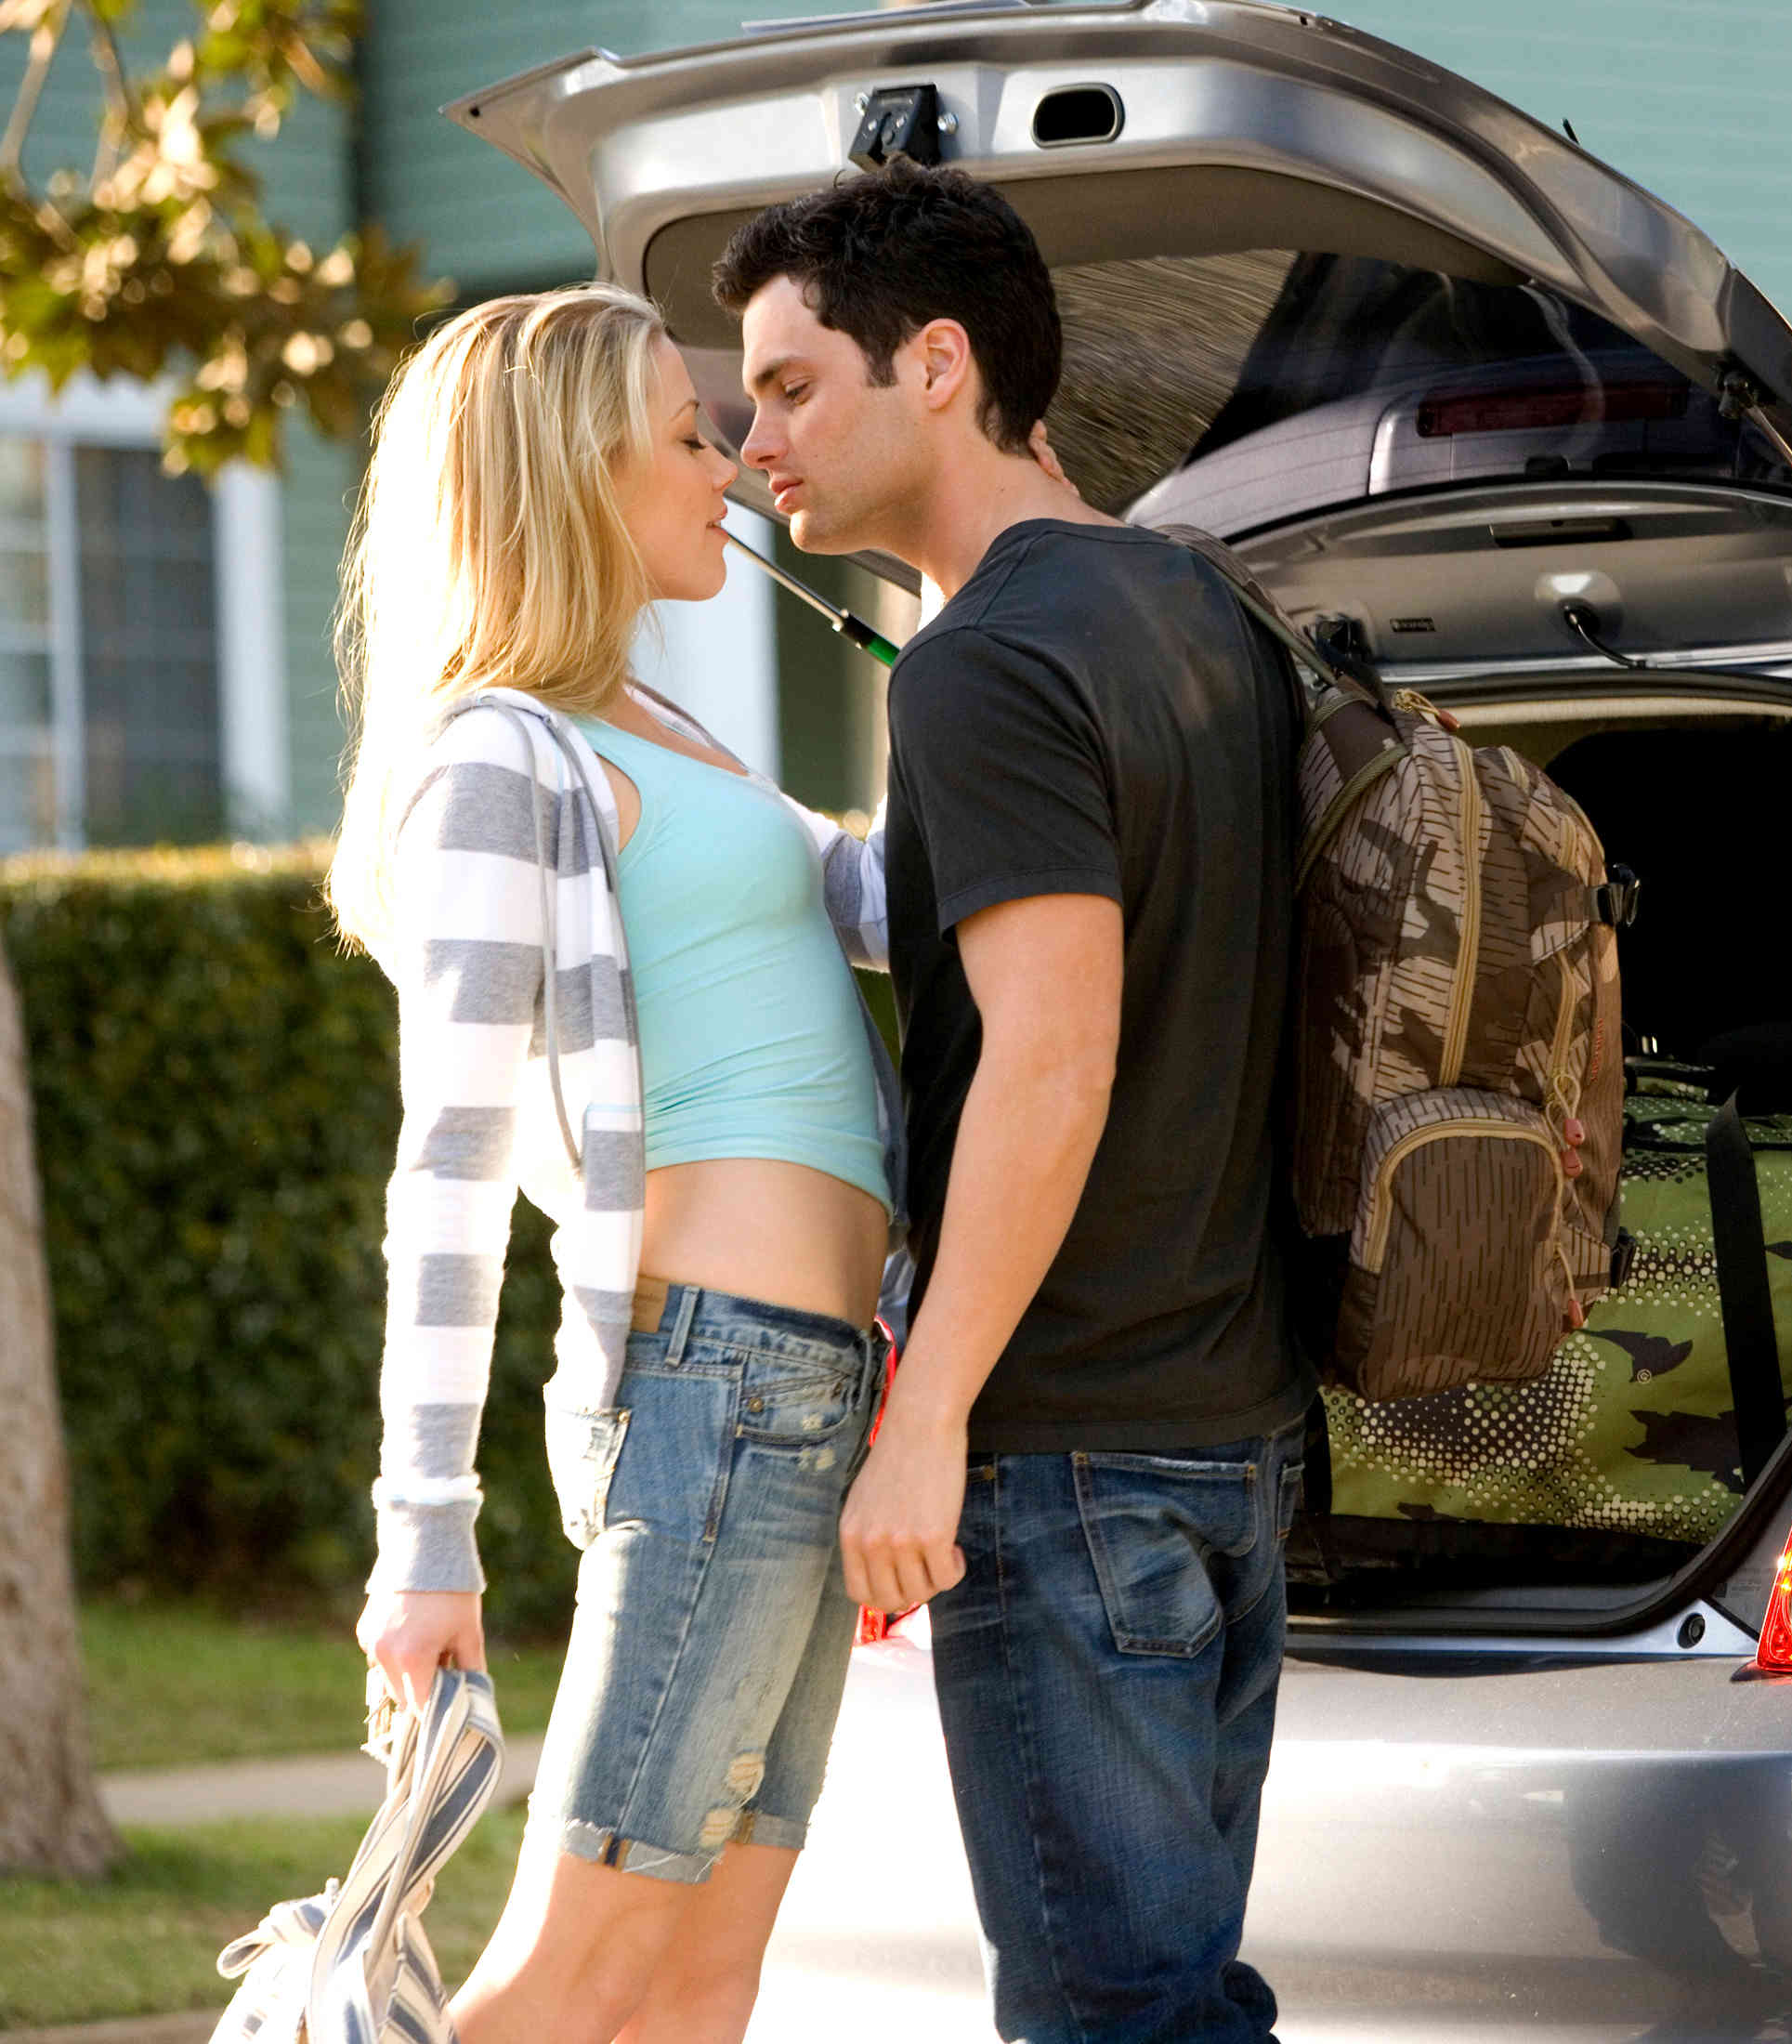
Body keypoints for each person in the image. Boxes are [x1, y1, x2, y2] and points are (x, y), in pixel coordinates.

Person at [713, 163, 1309, 2044]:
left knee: (1110, 2016)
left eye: (794, 385)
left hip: (1071, 1457)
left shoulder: (983, 662)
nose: (754, 441)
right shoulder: (1207, 613)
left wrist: (929, 1413)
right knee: (1178, 1999)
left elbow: (1055, 1054)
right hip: (1237, 1440)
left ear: (941, 366)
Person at [327, 283, 902, 2043]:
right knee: (572, 1976)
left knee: (706, 1975)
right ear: (575, 474)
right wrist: (421, 1539)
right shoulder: (506, 754)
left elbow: (899, 909)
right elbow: (445, 1174)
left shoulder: (679, 735)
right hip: (719, 1385)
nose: (725, 464)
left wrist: (998, 633)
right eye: (683, 435)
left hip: (818, 1382)